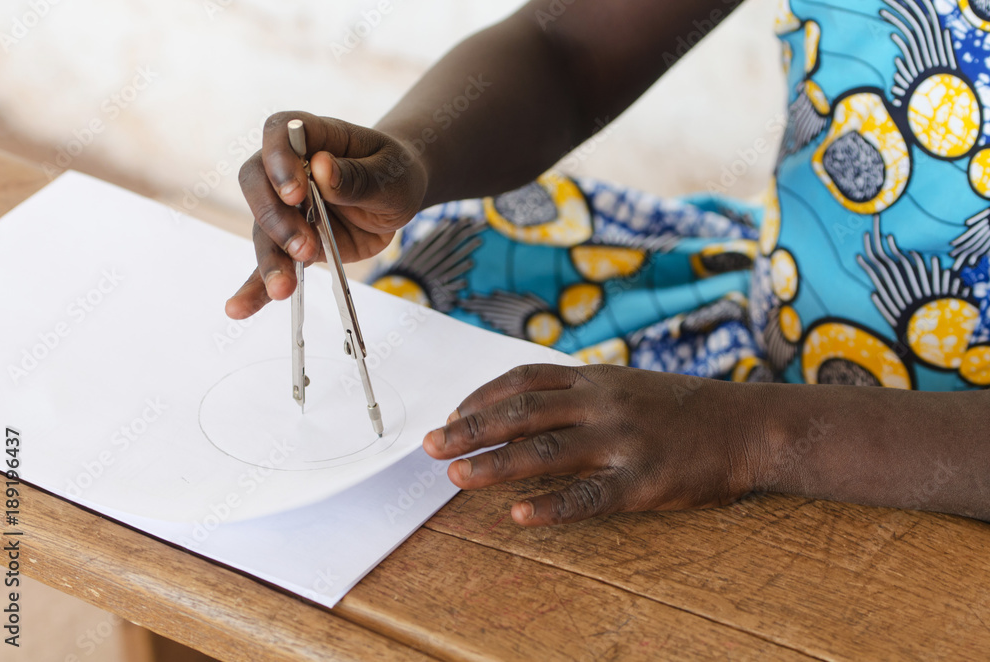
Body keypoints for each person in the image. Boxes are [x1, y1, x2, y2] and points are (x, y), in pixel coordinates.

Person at [225, 0, 990, 526]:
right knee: (453, 279)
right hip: (784, 326)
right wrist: (417, 156)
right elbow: (566, 50)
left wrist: (753, 437)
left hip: (936, 454)